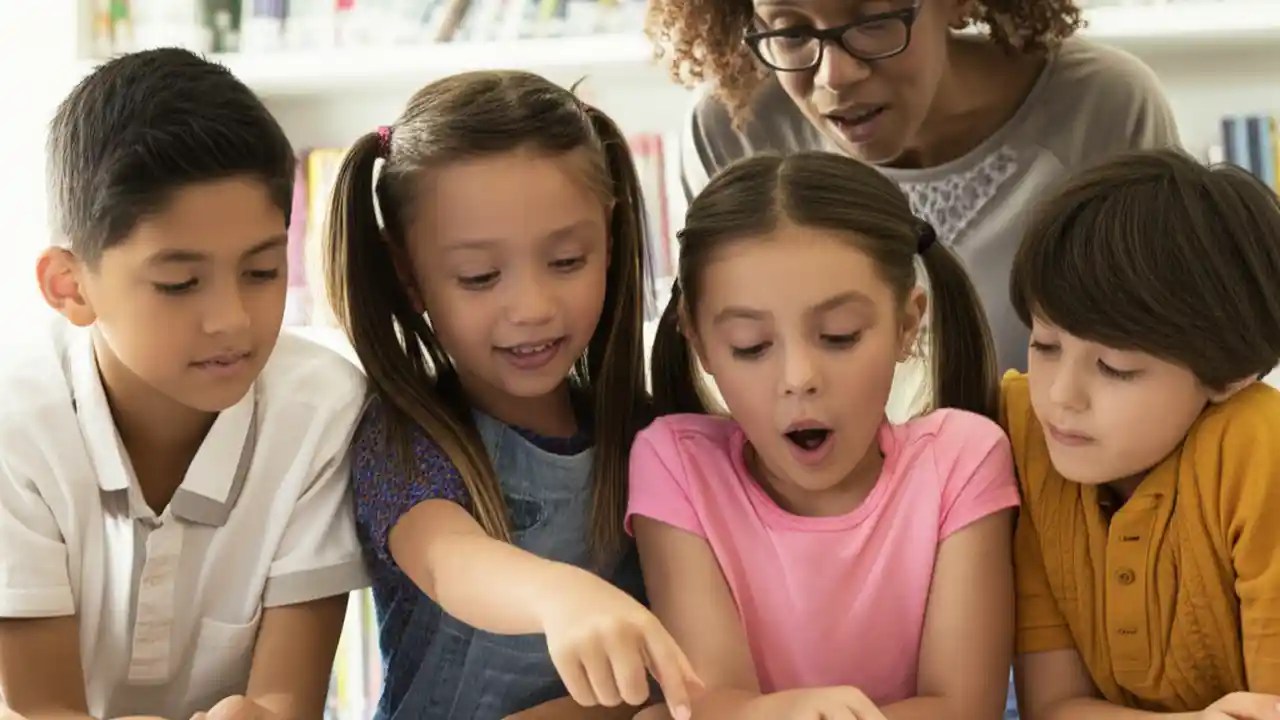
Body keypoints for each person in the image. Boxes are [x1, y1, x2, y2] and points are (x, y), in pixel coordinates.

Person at [0, 48, 369, 720]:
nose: (230, 320)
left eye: (262, 272)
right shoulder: (15, 426)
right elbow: (41, 707)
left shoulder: (322, 411)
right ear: (70, 285)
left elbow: (286, 703)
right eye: (179, 284)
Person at [324, 70, 702, 720]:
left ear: (609, 241)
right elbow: (450, 561)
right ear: (408, 276)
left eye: (565, 262)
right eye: (479, 276)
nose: (531, 308)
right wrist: (562, 598)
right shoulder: (403, 436)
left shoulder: (653, 437)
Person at [628, 150, 1020, 719]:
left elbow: (963, 708)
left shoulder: (963, 457)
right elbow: (711, 703)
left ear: (908, 323)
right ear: (700, 341)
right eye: (751, 346)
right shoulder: (675, 464)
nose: (799, 380)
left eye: (839, 336)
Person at [649, 0, 1180, 396]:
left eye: (876, 21)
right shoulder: (733, 126)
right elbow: (721, 383)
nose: (836, 74)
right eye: (790, 33)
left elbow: (1167, 362)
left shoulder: (1103, 108)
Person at [1006, 149, 1280, 719]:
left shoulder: (1260, 448)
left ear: (1231, 374)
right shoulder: (1028, 434)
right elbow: (1053, 707)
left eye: (1116, 368)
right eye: (1045, 345)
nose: (1061, 396)